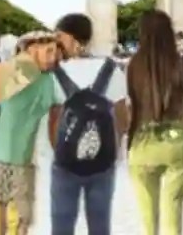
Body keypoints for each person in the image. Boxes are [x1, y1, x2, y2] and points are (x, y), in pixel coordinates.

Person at [0, 31, 62, 235]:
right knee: (18, 225)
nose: (52, 56)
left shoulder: (13, 75)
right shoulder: (49, 82)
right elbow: (53, 119)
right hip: (24, 163)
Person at [125, 10, 183, 235]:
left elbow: (129, 108)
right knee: (173, 213)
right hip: (177, 141)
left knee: (148, 220)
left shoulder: (132, 66)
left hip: (142, 142)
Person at [48, 14, 126, 235]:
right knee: (100, 226)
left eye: (59, 37)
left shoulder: (56, 75)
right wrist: (113, 149)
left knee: (62, 225)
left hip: (65, 164)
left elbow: (53, 121)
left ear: (73, 39)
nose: (56, 43)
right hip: (102, 163)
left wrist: (64, 150)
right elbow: (123, 119)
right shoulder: (112, 70)